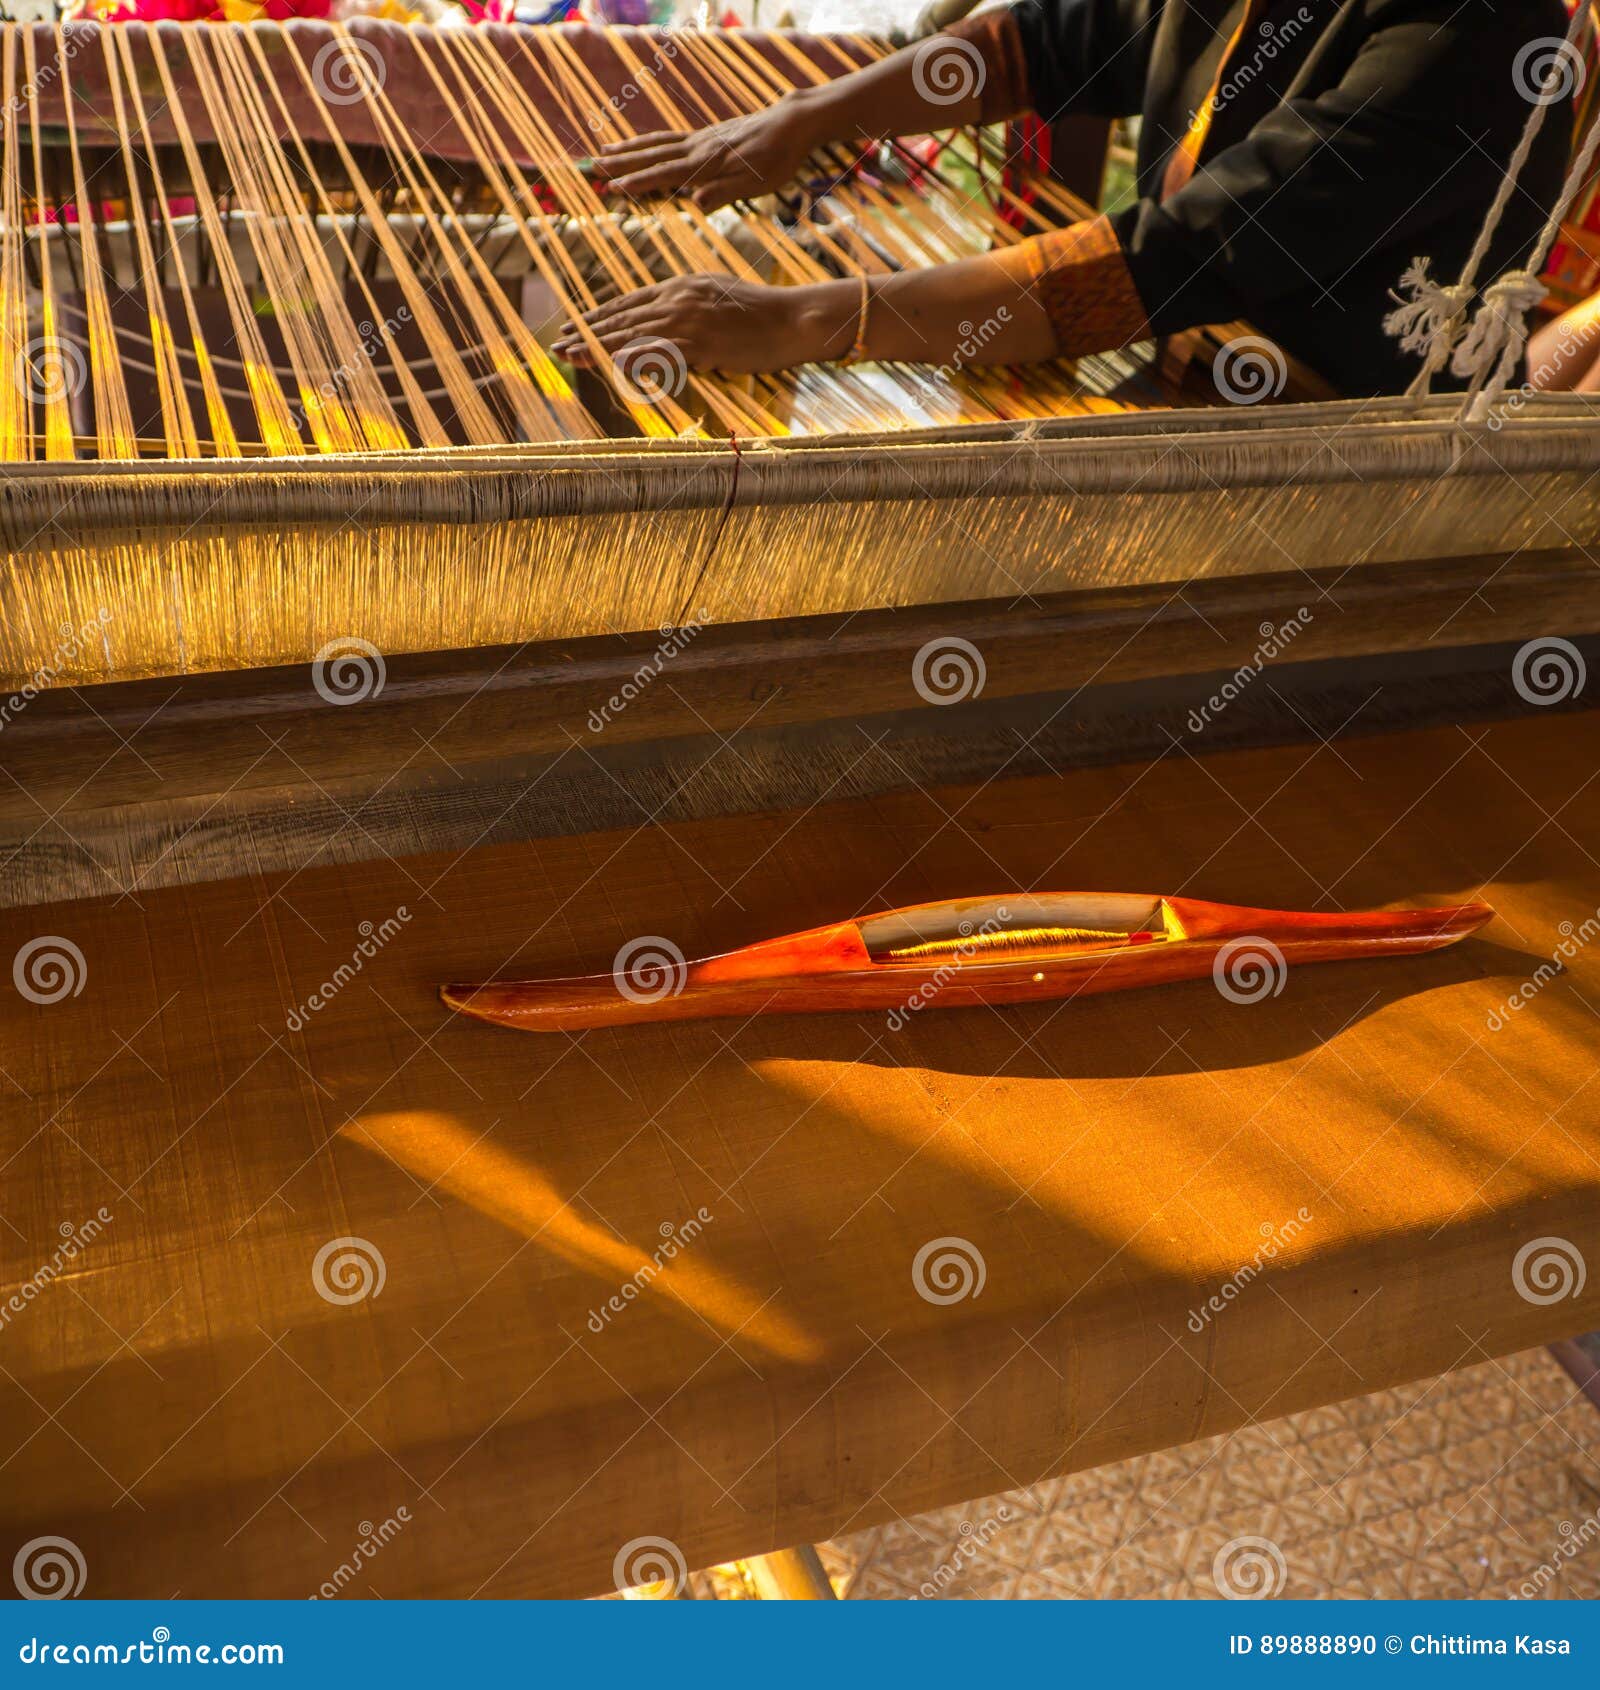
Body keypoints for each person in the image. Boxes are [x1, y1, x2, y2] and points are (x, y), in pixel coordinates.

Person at [552, 0, 1572, 395]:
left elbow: (1182, 255)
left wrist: (811, 317)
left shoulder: (1475, 37)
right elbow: (1056, 43)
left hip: (1343, 460)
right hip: (1199, 367)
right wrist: (809, 118)